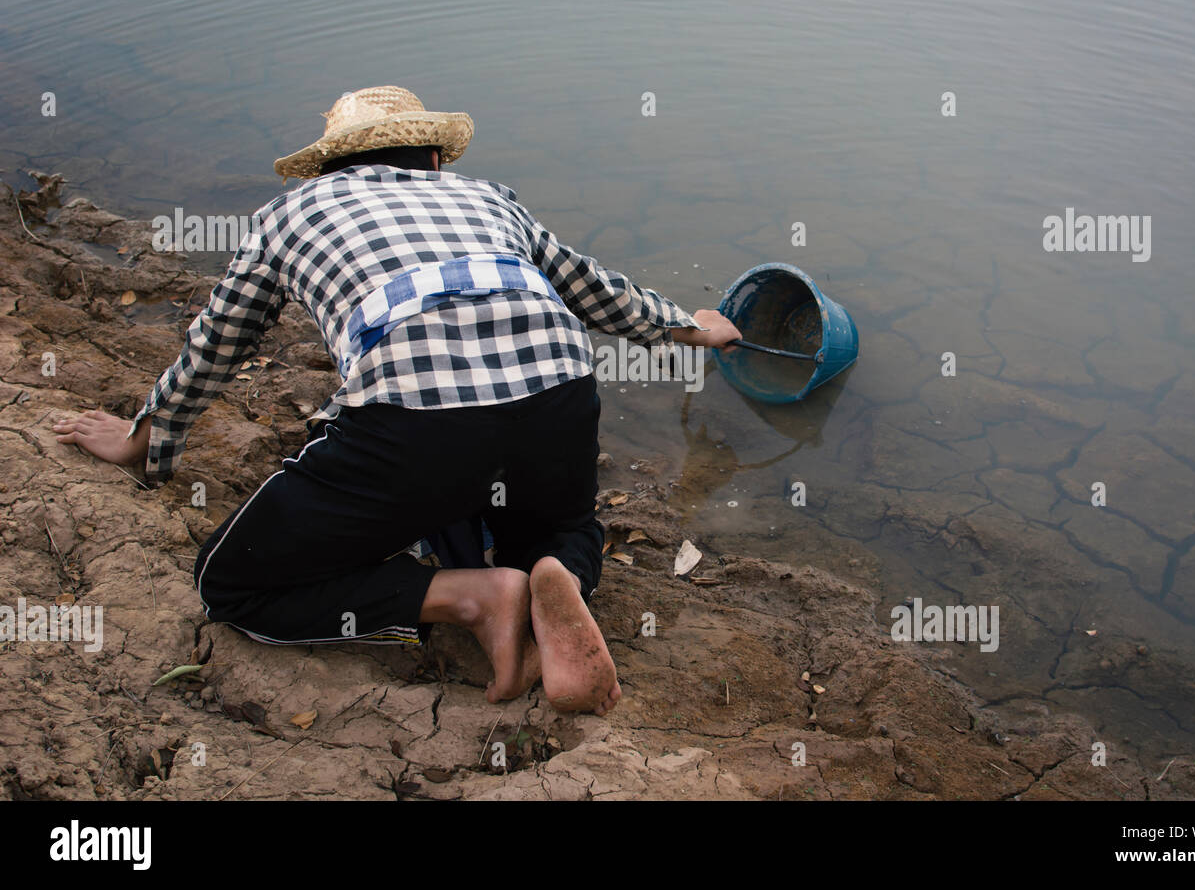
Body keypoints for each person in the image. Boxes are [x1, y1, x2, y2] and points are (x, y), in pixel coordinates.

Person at [53, 85, 740, 715]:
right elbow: (596, 291)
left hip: (414, 423)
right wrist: (692, 327)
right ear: (436, 158)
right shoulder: (487, 198)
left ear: (328, 168)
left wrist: (147, 439)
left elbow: (216, 348)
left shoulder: (287, 212)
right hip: (558, 391)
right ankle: (555, 570)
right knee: (562, 522)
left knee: (230, 583)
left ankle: (472, 596)